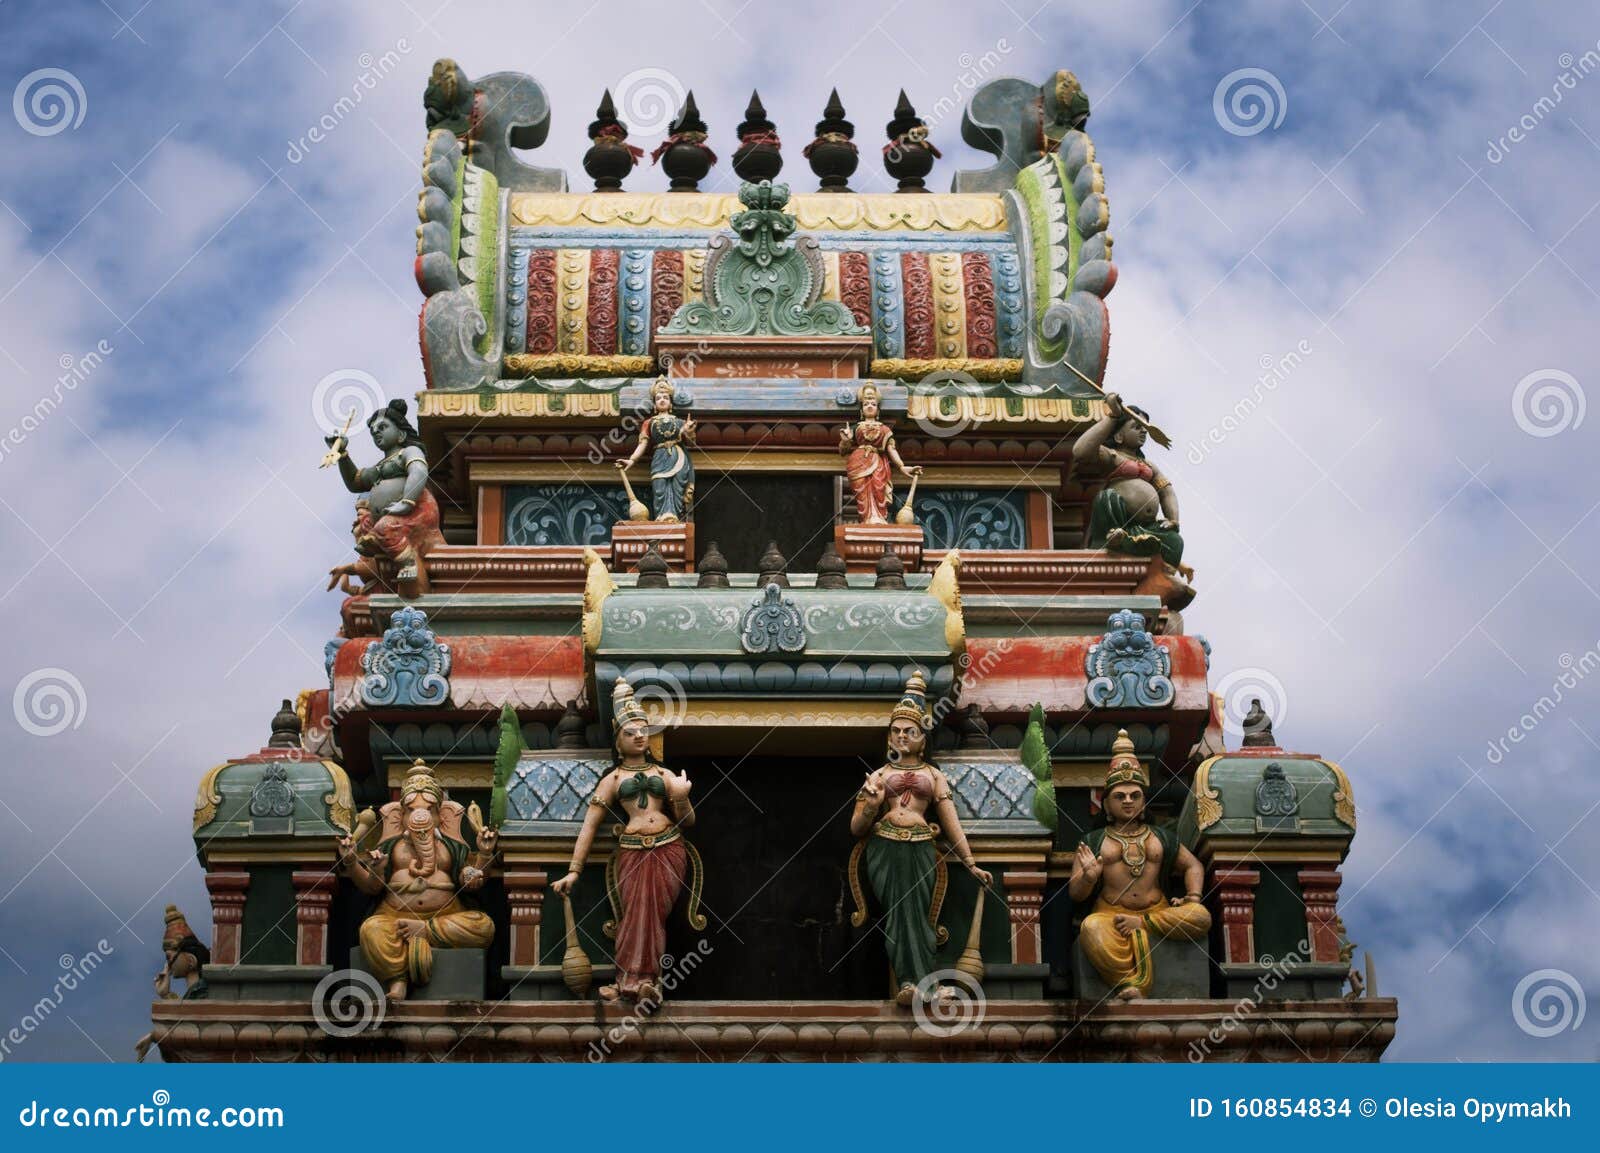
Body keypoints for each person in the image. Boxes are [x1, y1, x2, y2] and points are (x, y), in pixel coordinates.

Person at [551, 680, 704, 1003]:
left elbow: (688, 821)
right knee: (636, 915)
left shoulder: (664, 775)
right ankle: (630, 982)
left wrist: (681, 798)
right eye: (630, 732)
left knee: (655, 917)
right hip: (633, 851)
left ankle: (651, 980)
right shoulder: (614, 779)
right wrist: (574, 871)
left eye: (643, 730)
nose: (639, 736)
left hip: (669, 846)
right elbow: (589, 826)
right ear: (618, 741)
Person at [848, 672, 993, 1006]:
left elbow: (950, 820)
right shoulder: (879, 776)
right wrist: (871, 806)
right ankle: (908, 983)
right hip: (884, 845)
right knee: (898, 915)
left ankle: (927, 981)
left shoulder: (933, 775)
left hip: (921, 846)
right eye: (895, 731)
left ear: (922, 739)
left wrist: (970, 863)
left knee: (919, 916)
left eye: (909, 731)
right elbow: (856, 828)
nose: (901, 736)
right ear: (889, 738)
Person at [1068, 730, 1210, 1000]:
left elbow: (1194, 866)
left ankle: (1144, 924)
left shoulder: (1161, 838)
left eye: (1135, 795)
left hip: (1159, 912)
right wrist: (1087, 877)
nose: (1128, 801)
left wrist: (1191, 898)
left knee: (1200, 916)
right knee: (1091, 928)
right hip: (1112, 916)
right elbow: (1075, 894)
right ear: (1106, 805)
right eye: (1119, 796)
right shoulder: (1093, 841)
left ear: (1144, 802)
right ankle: (1129, 984)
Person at [341, 761, 497, 1001]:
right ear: (400, 815)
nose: (419, 816)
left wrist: (484, 856)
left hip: (445, 915)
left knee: (483, 926)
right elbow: (372, 887)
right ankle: (397, 980)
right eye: (411, 810)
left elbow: (471, 882)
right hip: (395, 916)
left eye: (428, 810)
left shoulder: (450, 848)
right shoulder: (391, 848)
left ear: (440, 815)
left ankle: (425, 933)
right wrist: (352, 863)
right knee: (371, 929)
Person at [325, 398, 444, 589]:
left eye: (383, 427)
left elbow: (418, 472)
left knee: (384, 527)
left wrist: (407, 501)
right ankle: (379, 545)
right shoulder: (379, 467)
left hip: (416, 510)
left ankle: (408, 562)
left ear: (401, 434)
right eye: (373, 431)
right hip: (393, 514)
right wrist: (343, 455)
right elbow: (355, 482)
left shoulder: (409, 452)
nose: (377, 432)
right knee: (365, 524)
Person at [840, 383, 922, 525]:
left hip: (878, 463)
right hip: (858, 462)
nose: (870, 406)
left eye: (873, 403)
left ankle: (877, 517)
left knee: (878, 489)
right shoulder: (856, 427)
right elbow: (842, 451)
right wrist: (845, 441)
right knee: (862, 492)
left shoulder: (884, 429)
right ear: (861, 409)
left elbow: (891, 449)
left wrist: (902, 467)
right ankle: (866, 518)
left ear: (878, 409)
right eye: (866, 404)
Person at [616, 378, 695, 522]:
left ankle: (674, 517)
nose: (662, 400)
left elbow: (691, 443)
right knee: (659, 489)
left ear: (671, 402)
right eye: (658, 398)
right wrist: (631, 460)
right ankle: (661, 516)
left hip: (678, 458)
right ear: (654, 403)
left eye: (666, 397)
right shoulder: (649, 423)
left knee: (677, 490)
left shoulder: (680, 422)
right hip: (659, 458)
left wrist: (688, 431)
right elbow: (642, 444)